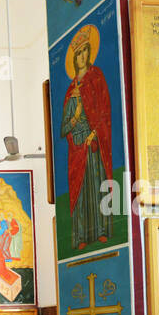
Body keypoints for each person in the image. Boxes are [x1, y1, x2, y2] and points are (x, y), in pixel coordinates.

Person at [61, 24, 113, 250]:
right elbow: (63, 129)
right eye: (78, 52)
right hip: (77, 147)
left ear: (89, 54)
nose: (81, 56)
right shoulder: (70, 89)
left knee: (97, 185)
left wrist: (94, 133)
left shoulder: (96, 76)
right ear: (74, 58)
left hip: (93, 142)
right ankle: (81, 235)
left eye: (84, 51)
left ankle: (101, 231)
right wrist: (75, 120)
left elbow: (103, 109)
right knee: (81, 191)